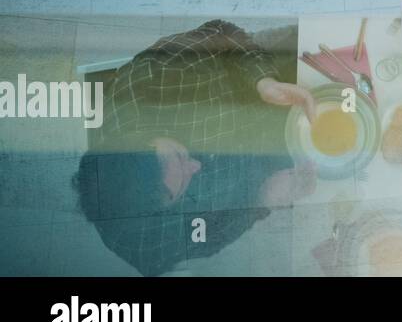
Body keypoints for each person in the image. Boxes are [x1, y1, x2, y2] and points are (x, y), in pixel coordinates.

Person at [72, 21, 315, 276]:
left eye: (178, 156)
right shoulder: (146, 243)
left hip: (271, 75)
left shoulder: (152, 77)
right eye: (179, 192)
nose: (196, 166)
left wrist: (264, 82)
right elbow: (208, 237)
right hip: (281, 162)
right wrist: (262, 199)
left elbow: (223, 33)